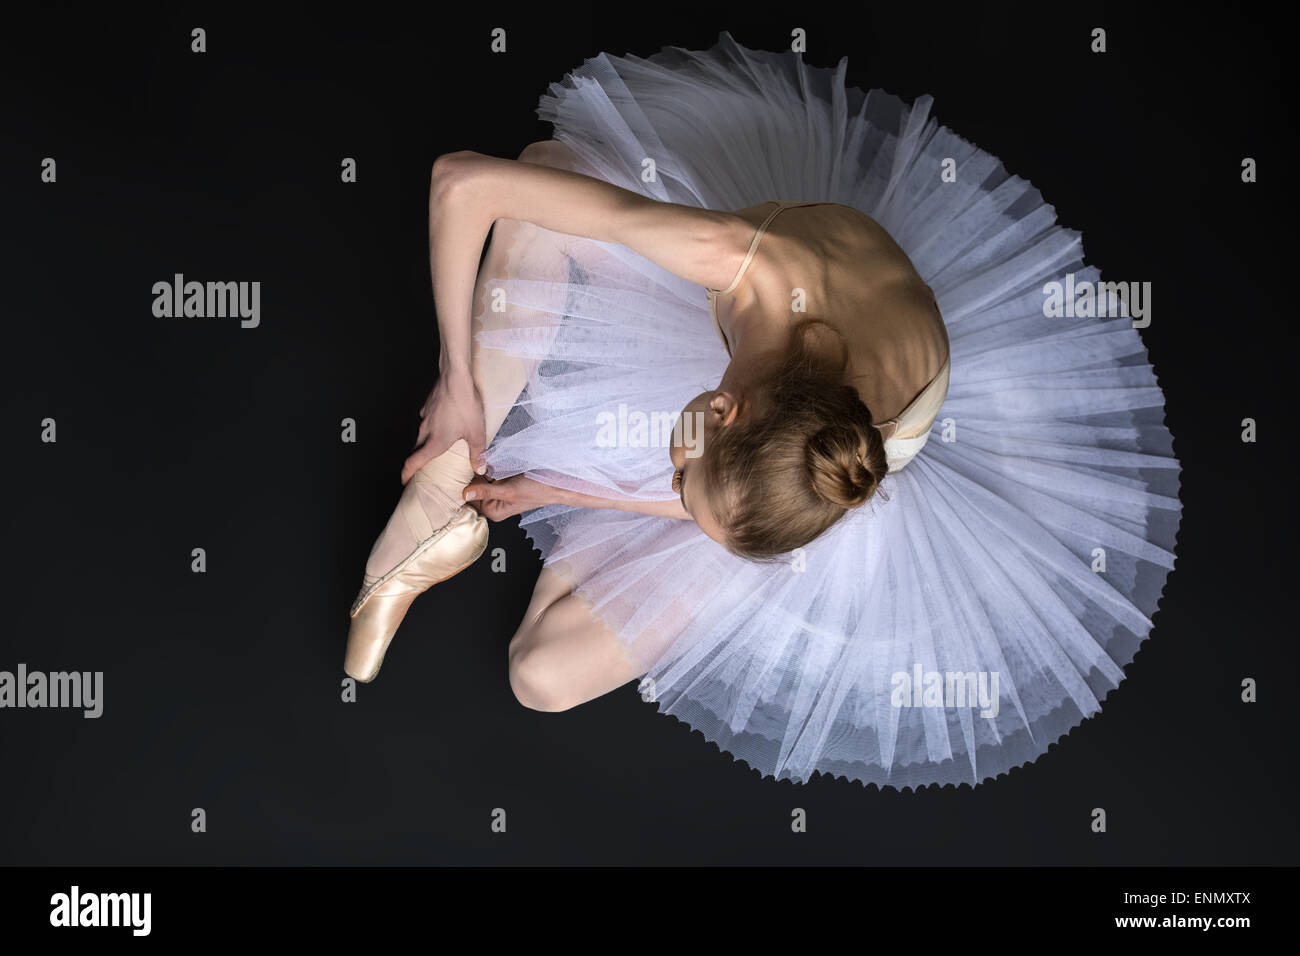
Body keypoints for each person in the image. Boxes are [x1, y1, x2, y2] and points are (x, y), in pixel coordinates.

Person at [344, 32, 1181, 789]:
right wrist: (457, 381)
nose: (662, 474)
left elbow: (696, 495)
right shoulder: (738, 263)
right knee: (547, 178)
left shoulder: (830, 465)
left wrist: (560, 489)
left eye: (681, 489)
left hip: (781, 448)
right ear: (722, 406)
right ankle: (435, 493)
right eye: (683, 474)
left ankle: (447, 516)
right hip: (792, 296)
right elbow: (464, 182)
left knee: (541, 679)